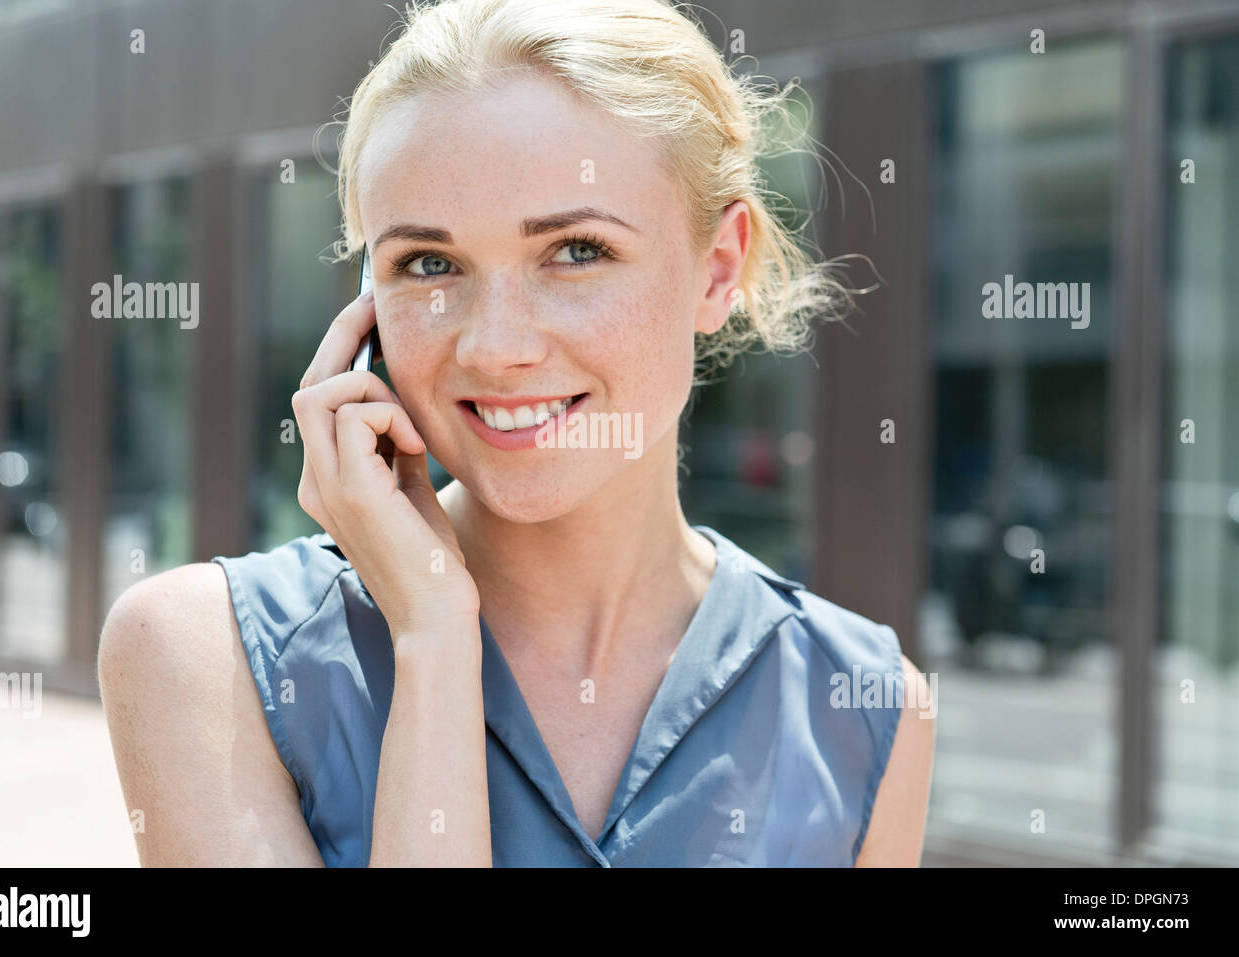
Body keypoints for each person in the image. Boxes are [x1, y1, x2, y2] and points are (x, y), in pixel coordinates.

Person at [98, 0, 935, 867]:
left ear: (717, 269)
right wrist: (430, 636)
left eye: (576, 250)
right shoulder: (203, 659)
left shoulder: (866, 707)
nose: (496, 348)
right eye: (430, 264)